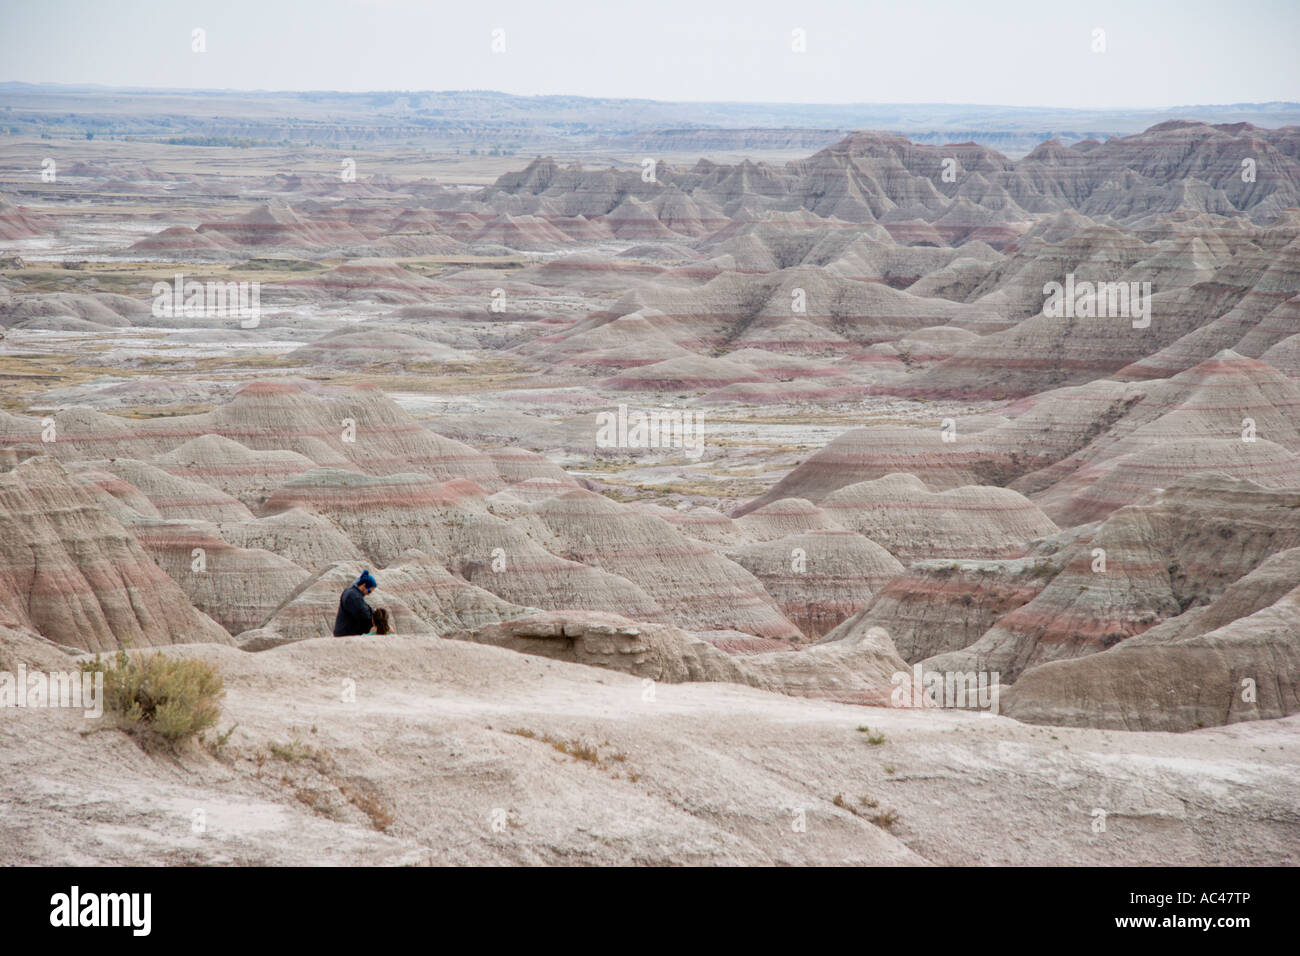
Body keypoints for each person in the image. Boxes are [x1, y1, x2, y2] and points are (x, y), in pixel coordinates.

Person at [333, 569, 377, 637]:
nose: (369, 594)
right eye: (369, 591)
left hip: (343, 632)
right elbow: (364, 616)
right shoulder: (354, 597)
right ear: (364, 585)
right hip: (347, 634)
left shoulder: (351, 592)